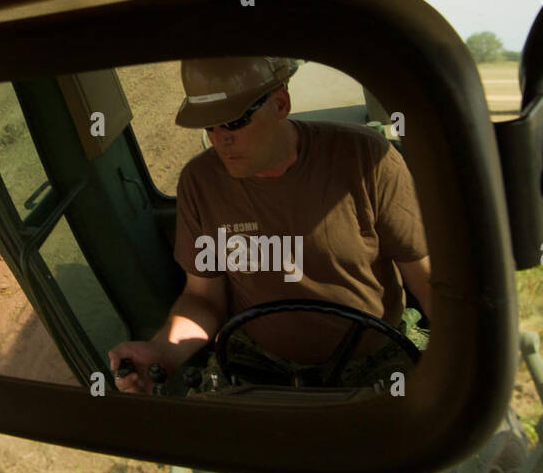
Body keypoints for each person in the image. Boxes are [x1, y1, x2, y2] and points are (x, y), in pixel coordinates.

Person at [108, 56, 431, 393]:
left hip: (371, 359)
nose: (220, 140)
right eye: (210, 127)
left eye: (233, 122)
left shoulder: (365, 159)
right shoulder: (201, 182)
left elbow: (425, 279)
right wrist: (164, 352)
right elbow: (203, 298)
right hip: (256, 361)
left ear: (280, 103)